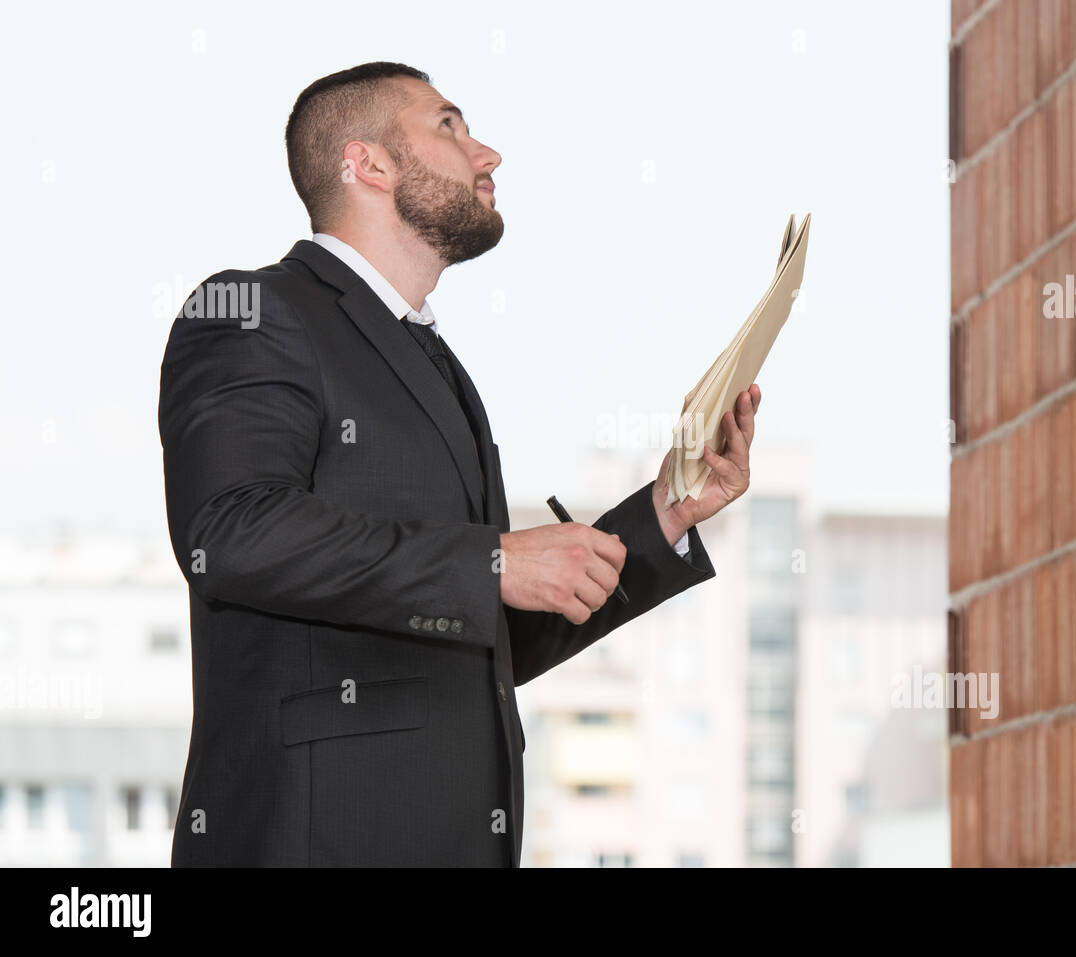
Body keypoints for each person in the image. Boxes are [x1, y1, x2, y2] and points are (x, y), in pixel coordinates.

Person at [157, 61, 762, 866]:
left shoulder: (438, 367)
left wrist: (666, 512)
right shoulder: (250, 312)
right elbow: (231, 531)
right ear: (367, 163)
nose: (489, 154)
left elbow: (478, 625)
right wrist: (491, 561)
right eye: (450, 126)